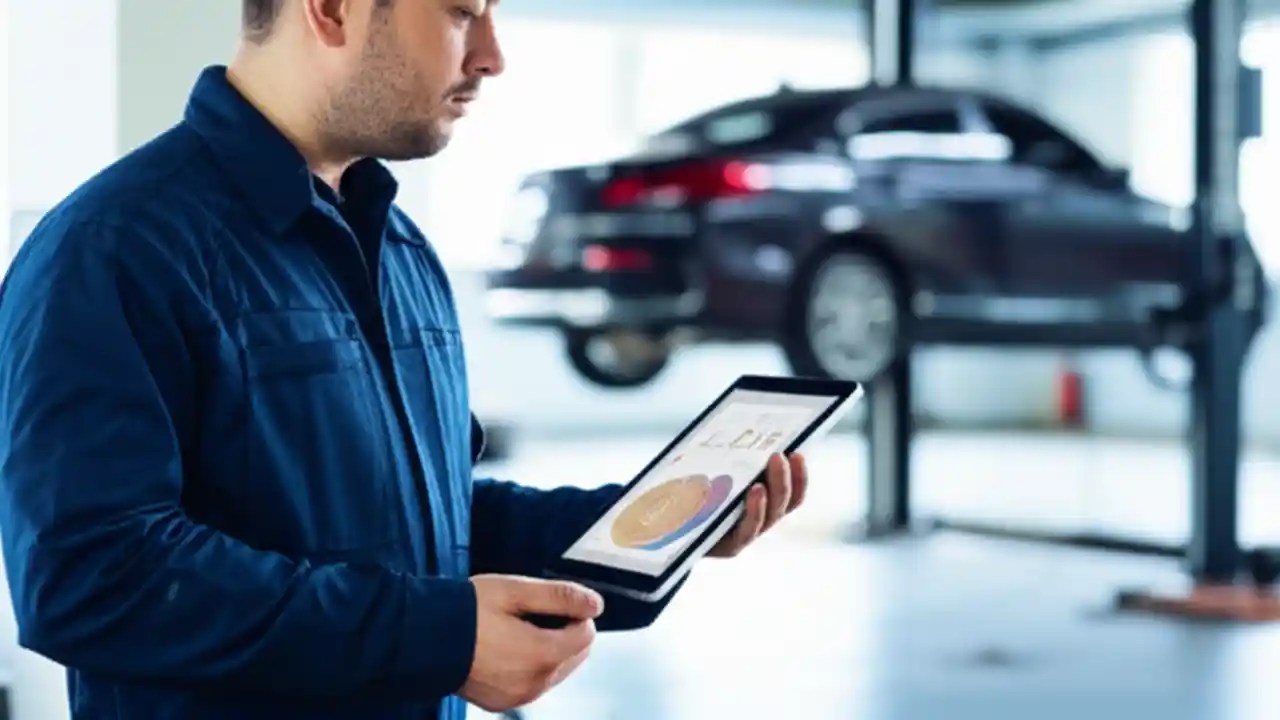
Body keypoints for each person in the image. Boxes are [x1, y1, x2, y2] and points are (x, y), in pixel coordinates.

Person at [0, 1, 811, 719]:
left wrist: (654, 527)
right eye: (463, 12)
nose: (493, 54)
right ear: (331, 10)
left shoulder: (403, 252)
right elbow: (91, 576)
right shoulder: (112, 250)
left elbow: (432, 526)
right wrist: (438, 636)